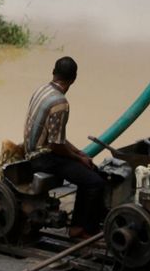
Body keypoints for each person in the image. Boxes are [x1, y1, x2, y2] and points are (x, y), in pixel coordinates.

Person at [23, 56, 104, 240]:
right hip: (42, 158)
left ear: (53, 72)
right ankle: (80, 229)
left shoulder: (41, 90)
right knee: (94, 182)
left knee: (90, 170)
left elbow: (56, 138)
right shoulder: (60, 103)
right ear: (73, 79)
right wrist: (78, 159)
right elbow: (55, 145)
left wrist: (78, 152)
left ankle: (84, 222)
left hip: (32, 150)